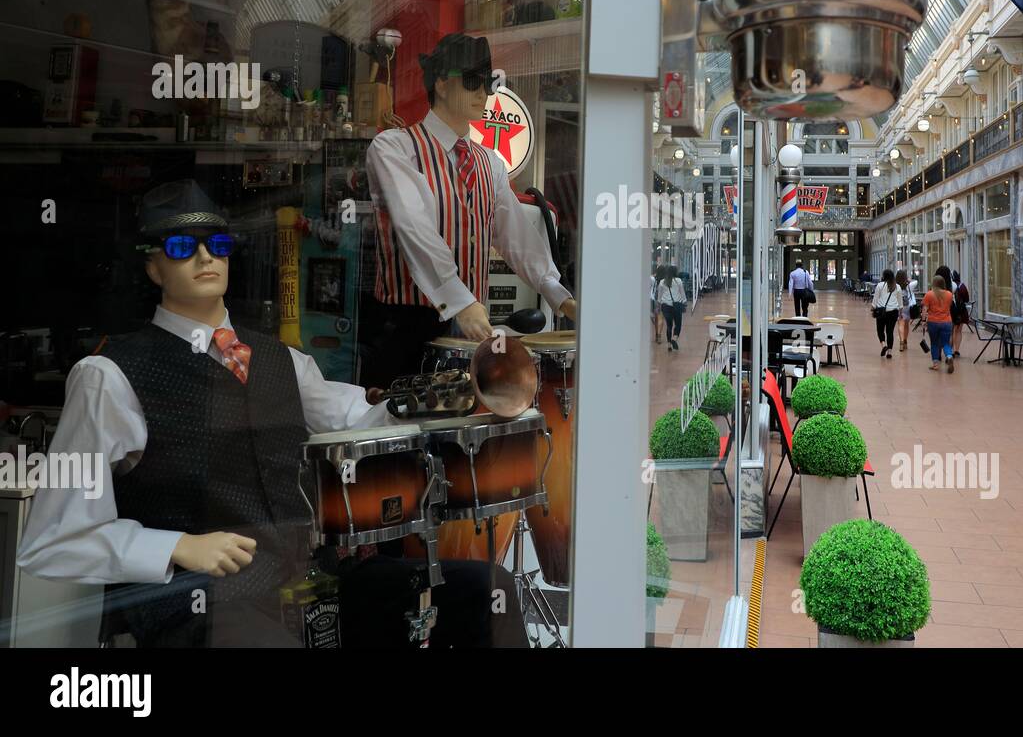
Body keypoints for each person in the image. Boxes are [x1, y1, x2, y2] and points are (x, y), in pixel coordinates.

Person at [16, 180, 525, 647]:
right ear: (153, 267)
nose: (202, 257)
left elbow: (359, 416)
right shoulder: (109, 375)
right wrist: (175, 547)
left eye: (216, 245)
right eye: (179, 248)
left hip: (305, 587)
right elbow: (52, 539)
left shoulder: (283, 361)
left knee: (485, 591)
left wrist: (460, 400)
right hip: (199, 603)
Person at [362, 32, 576, 389]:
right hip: (402, 332)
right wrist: (459, 300)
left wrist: (559, 295)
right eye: (473, 81)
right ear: (442, 84)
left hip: (467, 333)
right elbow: (415, 227)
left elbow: (516, 237)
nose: (484, 94)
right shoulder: (395, 149)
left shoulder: (489, 163)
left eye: (488, 84)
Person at [920, 273, 956, 373]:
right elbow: (950, 306)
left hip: (933, 322)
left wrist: (923, 321)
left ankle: (935, 364)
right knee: (945, 343)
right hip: (947, 322)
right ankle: (949, 356)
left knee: (934, 343)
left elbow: (924, 309)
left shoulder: (929, 294)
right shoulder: (949, 294)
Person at [871, 268, 905, 358]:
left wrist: (873, 308)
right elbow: (900, 303)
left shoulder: (880, 285)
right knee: (890, 332)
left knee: (880, 330)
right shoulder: (897, 286)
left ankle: (884, 345)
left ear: (884, 276)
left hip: (881, 312)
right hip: (893, 312)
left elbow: (876, 299)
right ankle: (889, 352)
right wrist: (900, 313)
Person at [657, 265, 687, 351]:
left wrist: (658, 305)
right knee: (678, 325)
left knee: (669, 326)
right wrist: (684, 302)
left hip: (665, 306)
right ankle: (674, 339)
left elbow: (659, 296)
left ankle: (669, 345)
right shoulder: (678, 281)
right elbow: (682, 293)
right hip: (677, 305)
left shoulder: (662, 282)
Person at [951, 270, 971, 356]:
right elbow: (967, 299)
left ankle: (949, 351)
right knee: (959, 331)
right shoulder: (962, 286)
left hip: (952, 311)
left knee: (952, 331)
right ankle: (957, 350)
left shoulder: (950, 285)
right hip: (961, 312)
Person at [896, 271, 915, 350]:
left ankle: (901, 341)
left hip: (898, 307)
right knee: (906, 325)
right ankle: (905, 341)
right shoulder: (909, 286)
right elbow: (916, 282)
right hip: (907, 307)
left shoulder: (895, 286)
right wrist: (908, 280)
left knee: (900, 324)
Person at [650, 266, 662, 344]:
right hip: (652, 299)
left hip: (649, 299)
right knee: (657, 317)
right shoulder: (653, 279)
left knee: (654, 317)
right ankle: (657, 335)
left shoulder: (651, 278)